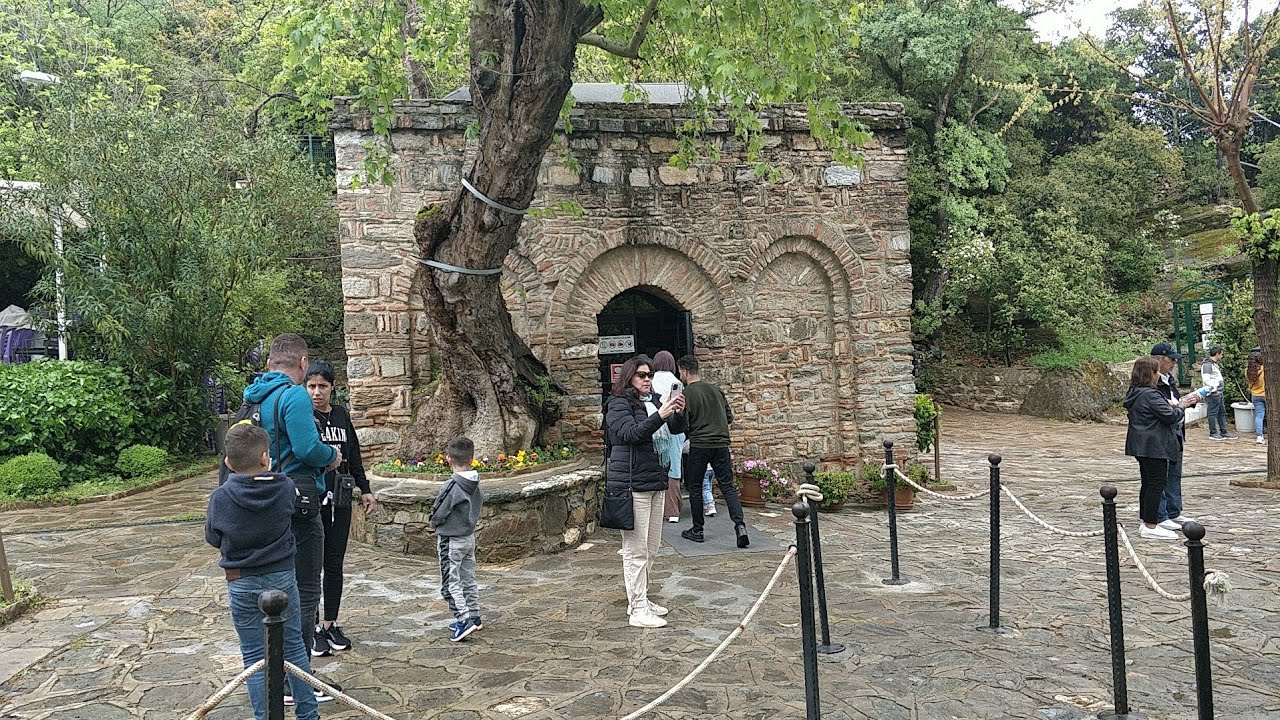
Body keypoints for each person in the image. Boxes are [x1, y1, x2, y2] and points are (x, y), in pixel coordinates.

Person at [242, 333, 340, 682]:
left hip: (258, 504)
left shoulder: (253, 399)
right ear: (303, 364)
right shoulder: (294, 396)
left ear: (269, 365)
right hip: (297, 503)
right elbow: (307, 449)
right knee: (305, 585)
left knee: (272, 587)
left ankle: (272, 675)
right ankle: (297, 676)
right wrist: (332, 456)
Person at [205, 424, 320, 720]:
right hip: (281, 575)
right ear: (265, 457)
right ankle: (308, 715)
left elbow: (213, 537)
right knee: (294, 649)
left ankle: (264, 716)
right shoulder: (283, 486)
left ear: (228, 462)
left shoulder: (220, 496)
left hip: (240, 579)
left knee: (254, 656)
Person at [605, 355, 686, 628]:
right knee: (635, 550)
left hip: (655, 479)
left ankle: (641, 597)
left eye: (650, 374)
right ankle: (637, 608)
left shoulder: (654, 401)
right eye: (642, 375)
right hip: (632, 484)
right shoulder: (618, 404)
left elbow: (674, 429)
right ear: (629, 377)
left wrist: (677, 412)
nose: (647, 379)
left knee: (651, 548)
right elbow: (631, 434)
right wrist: (661, 415)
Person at [304, 360, 377, 656]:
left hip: (341, 499)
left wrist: (366, 489)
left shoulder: (341, 415)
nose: (317, 393)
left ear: (333, 387)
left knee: (334, 564)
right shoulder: (304, 418)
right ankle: (309, 630)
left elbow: (354, 456)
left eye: (322, 386)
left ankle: (329, 623)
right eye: (311, 386)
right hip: (313, 501)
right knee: (310, 568)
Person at [677, 354, 748, 549]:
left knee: (696, 487)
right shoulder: (716, 390)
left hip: (699, 445)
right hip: (721, 444)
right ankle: (740, 526)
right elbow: (729, 417)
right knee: (727, 486)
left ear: (683, 370)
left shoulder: (687, 393)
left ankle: (697, 529)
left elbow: (683, 422)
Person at [1124, 356, 1196, 541]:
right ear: (1150, 373)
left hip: (1141, 444)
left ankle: (1147, 519)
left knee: (1148, 483)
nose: (1158, 376)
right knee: (1156, 484)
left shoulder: (1135, 392)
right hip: (1154, 445)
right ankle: (1151, 524)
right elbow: (1170, 417)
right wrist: (1181, 406)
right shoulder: (1150, 394)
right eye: (1156, 372)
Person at [431, 436, 487, 641]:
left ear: (448, 459)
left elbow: (439, 511)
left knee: (449, 583)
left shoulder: (452, 486)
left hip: (450, 540)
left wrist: (434, 522)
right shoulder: (475, 483)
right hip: (468, 537)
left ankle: (464, 621)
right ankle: (474, 615)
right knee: (468, 578)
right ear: (471, 459)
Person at [1151, 343, 1197, 532]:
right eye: (1171, 359)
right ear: (1159, 359)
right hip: (1162, 430)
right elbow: (1161, 407)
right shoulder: (1152, 382)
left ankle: (1174, 510)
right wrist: (1179, 405)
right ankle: (1161, 514)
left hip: (1176, 428)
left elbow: (1175, 401)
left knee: (1175, 472)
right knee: (1161, 474)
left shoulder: (1169, 380)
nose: (1174, 363)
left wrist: (1188, 402)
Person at [650, 351, 686, 523]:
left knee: (657, 466)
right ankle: (673, 511)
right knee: (674, 467)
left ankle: (656, 509)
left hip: (656, 428)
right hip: (674, 429)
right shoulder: (676, 382)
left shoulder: (651, 381)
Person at [1201, 347, 1235, 440]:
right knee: (1213, 412)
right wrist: (1214, 389)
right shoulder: (1208, 365)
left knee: (1221, 412)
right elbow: (1206, 379)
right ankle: (1213, 433)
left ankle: (1223, 431)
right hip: (1213, 393)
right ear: (1217, 354)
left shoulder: (1214, 364)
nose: (1222, 356)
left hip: (1219, 392)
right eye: (1221, 354)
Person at [1248, 348, 1266, 445]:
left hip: (1255, 395)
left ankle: (1259, 436)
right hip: (1267, 395)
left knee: (1259, 416)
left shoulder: (1248, 370)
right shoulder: (1264, 369)